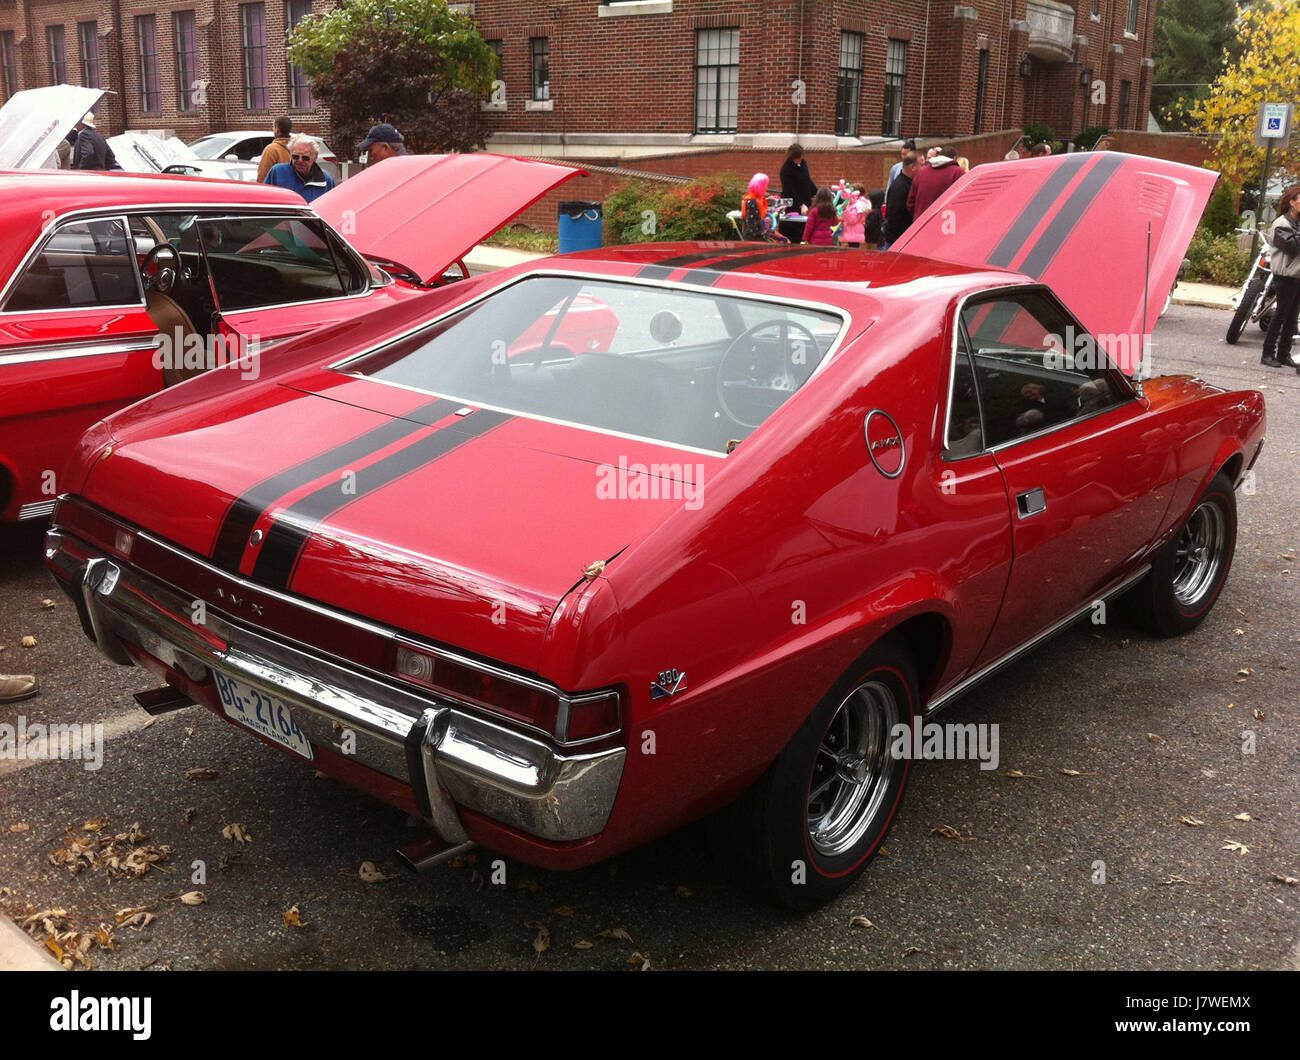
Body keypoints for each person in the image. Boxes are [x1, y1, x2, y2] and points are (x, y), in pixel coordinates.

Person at [1262, 185, 1300, 369]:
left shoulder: (1297, 223)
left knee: (1292, 318)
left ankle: (1284, 354)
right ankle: (1267, 354)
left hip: (1298, 276)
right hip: (1285, 276)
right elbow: (1293, 247)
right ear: (1292, 203)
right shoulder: (1281, 224)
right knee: (1280, 315)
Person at [263, 136, 335, 203]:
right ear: (290, 154)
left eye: (305, 158)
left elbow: (330, 206)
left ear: (315, 158)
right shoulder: (277, 172)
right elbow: (264, 199)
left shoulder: (326, 181)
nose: (300, 161)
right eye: (295, 157)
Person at [907, 144, 962, 221]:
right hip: (946, 223)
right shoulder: (958, 172)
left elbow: (910, 204)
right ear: (955, 158)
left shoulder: (921, 173)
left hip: (921, 223)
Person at [881, 150, 919, 250]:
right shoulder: (900, 186)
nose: (924, 168)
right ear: (913, 167)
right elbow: (895, 216)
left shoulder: (907, 183)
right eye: (922, 165)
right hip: (897, 240)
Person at [779, 143, 817, 215]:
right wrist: (801, 204)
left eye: (801, 157)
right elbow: (789, 190)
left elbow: (808, 180)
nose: (801, 159)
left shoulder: (803, 163)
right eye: (798, 157)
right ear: (793, 157)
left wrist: (818, 193)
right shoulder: (786, 170)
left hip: (806, 203)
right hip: (793, 206)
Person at [256, 117, 293, 182]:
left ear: (277, 130)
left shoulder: (271, 150)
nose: (272, 129)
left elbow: (262, 177)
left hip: (275, 187)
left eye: (273, 127)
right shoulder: (297, 148)